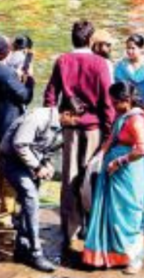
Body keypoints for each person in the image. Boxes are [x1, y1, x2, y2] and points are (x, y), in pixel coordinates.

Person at [42, 21, 114, 256]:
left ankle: (70, 232)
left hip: (69, 128)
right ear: (91, 40)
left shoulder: (63, 61)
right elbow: (107, 101)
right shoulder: (101, 63)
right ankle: (92, 229)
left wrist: (51, 122)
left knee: (70, 180)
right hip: (94, 129)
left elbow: (50, 96)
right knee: (91, 179)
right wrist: (110, 132)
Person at [83, 83, 144, 275]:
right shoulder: (124, 115)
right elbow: (112, 137)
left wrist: (118, 162)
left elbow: (142, 149)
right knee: (113, 213)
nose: (112, 105)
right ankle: (112, 254)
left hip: (127, 173)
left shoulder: (136, 119)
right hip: (114, 171)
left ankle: (135, 257)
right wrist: (99, 155)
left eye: (115, 102)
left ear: (127, 100)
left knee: (127, 214)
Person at [0, 107, 61, 272]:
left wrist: (46, 163)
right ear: (68, 113)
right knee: (31, 197)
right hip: (11, 160)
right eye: (77, 119)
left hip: (28, 163)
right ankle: (35, 252)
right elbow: (19, 144)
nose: (79, 123)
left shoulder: (60, 125)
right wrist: (38, 166)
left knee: (29, 204)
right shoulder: (39, 117)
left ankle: (22, 247)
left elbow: (46, 148)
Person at [0, 36, 34, 230]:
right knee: (9, 170)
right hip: (9, 127)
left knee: (1, 168)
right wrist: (29, 79)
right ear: (5, 52)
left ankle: (6, 209)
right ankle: (6, 213)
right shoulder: (5, 74)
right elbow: (25, 96)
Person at [114, 35, 144, 103]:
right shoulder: (122, 66)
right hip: (128, 103)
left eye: (133, 48)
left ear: (142, 48)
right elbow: (117, 85)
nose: (129, 51)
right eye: (128, 48)